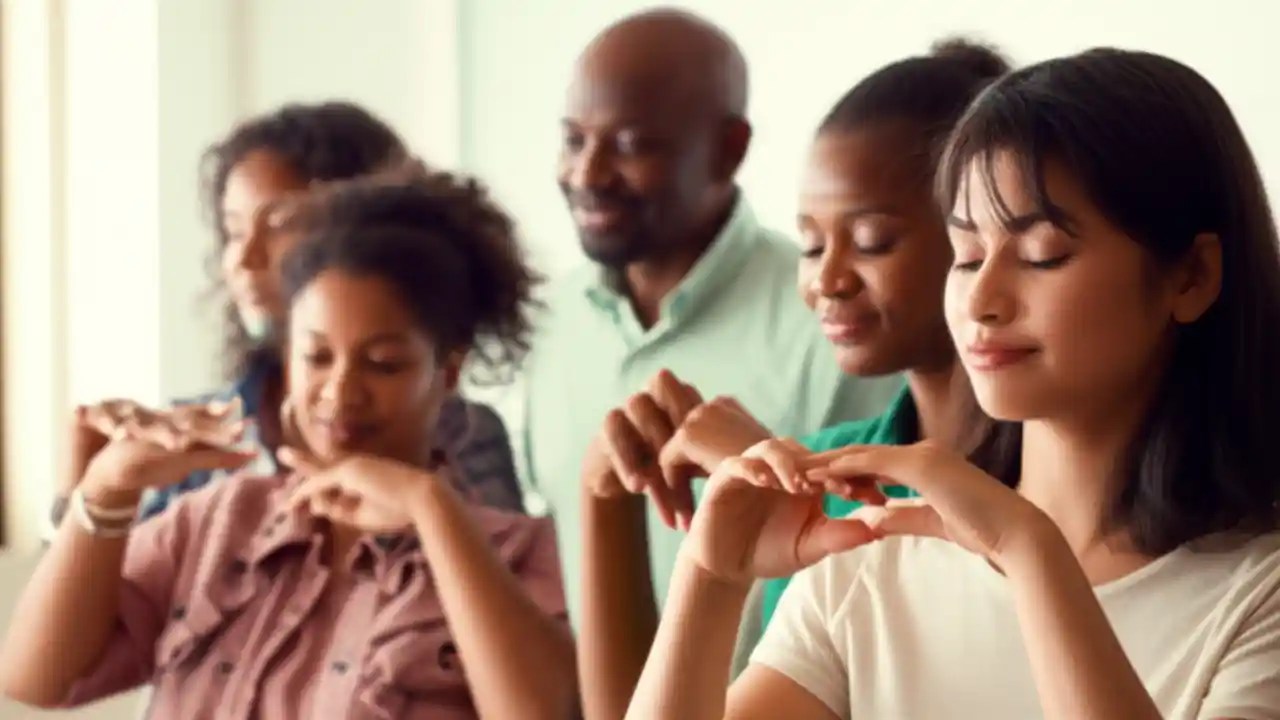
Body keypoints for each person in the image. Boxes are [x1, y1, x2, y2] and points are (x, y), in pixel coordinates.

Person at [626, 48, 1280, 719]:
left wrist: (1031, 552)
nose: (982, 299)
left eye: (1041, 256)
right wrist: (709, 579)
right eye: (967, 256)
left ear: (1191, 276)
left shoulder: (1260, 598)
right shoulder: (871, 570)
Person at [0, 168, 577, 719]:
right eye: (316, 357)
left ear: (448, 372)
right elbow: (33, 680)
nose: (341, 391)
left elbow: (547, 715)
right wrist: (106, 490)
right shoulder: (218, 522)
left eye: (382, 364)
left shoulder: (519, 554)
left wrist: (432, 510)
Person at [577, 40, 1010, 718]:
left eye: (871, 242)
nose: (826, 280)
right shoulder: (825, 476)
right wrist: (606, 501)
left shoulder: (1041, 483)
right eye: (810, 243)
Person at [524, 7, 899, 627]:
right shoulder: (548, 323)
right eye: (573, 139)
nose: (588, 174)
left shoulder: (837, 319)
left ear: (729, 150)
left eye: (630, 145)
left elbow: (877, 566)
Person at [50, 101, 524, 533]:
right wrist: (86, 493)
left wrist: (425, 506)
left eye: (278, 226)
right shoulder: (195, 439)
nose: (244, 258)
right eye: (233, 231)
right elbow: (108, 617)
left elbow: (505, 579)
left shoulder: (460, 433)